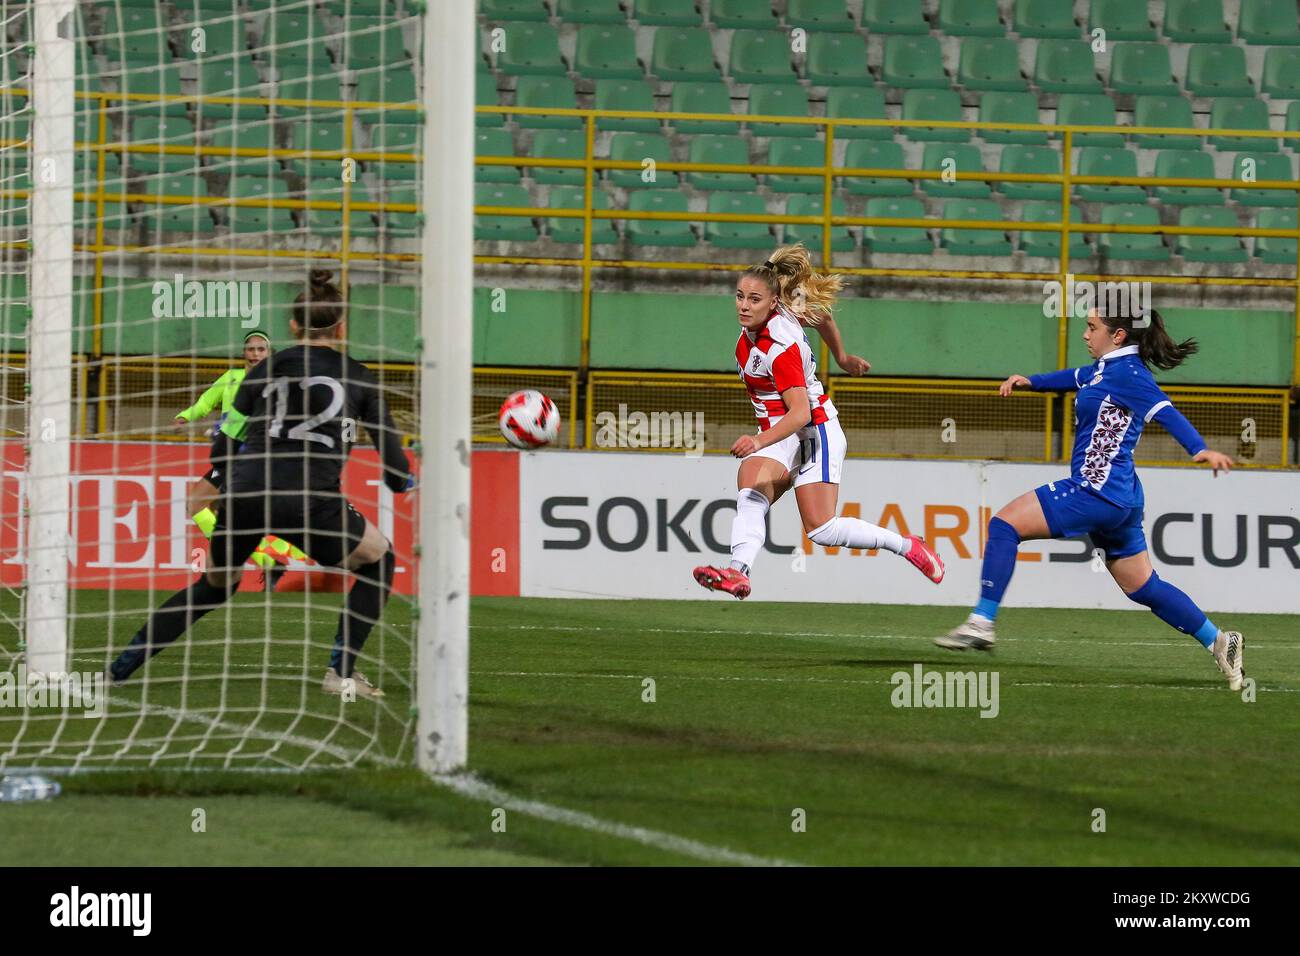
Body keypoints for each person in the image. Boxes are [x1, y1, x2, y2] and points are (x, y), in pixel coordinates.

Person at [109, 271, 415, 699]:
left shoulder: (264, 370)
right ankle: (340, 672)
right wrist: (404, 480)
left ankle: (117, 672)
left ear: (293, 326)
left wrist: (219, 485)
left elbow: (225, 443)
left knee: (213, 587)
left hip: (246, 494)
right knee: (378, 560)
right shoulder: (359, 376)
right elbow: (395, 465)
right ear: (342, 327)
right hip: (311, 500)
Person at [935, 307, 1246, 692]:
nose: (1085, 334)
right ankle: (1219, 641)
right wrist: (1031, 381)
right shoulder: (1104, 369)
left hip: (1094, 490)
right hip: (1121, 498)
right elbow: (1074, 378)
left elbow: (1165, 410)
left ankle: (982, 622)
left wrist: (1199, 449)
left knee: (1005, 524)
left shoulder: (1129, 375)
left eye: (1092, 327)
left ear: (1117, 336)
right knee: (1143, 586)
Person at [692, 244, 945, 599]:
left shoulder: (778, 347)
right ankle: (738, 572)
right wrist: (841, 357)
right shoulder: (773, 321)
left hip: (814, 432)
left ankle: (908, 545)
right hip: (782, 435)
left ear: (771, 301)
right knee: (750, 489)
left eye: (753, 299)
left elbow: (800, 413)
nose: (744, 306)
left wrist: (759, 441)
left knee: (821, 528)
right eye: (739, 297)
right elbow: (822, 316)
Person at [174, 330, 309, 590]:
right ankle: (266, 562)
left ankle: (234, 563)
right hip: (229, 455)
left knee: (199, 505)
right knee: (209, 510)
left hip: (250, 456)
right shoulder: (232, 378)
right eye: (251, 349)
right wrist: (186, 416)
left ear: (270, 353)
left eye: (261, 349)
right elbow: (205, 403)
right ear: (243, 353)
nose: (255, 354)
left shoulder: (277, 383)